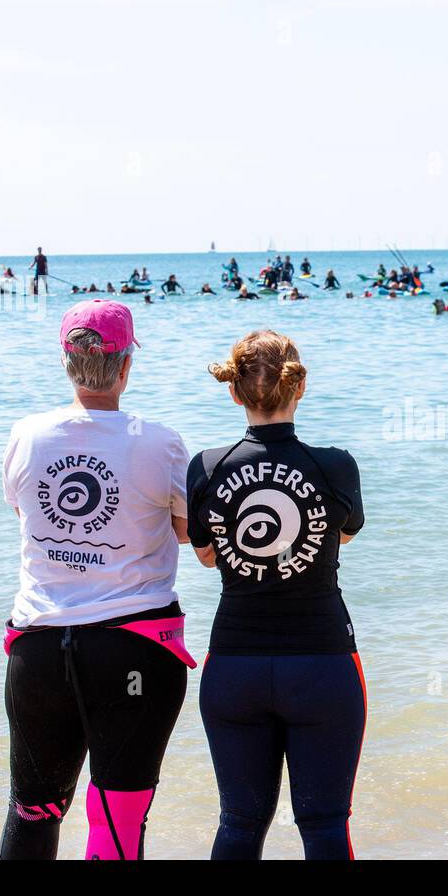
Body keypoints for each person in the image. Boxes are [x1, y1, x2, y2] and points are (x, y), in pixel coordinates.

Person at [0, 299, 194, 860]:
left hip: (38, 650)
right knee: (115, 821)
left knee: (32, 810)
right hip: (132, 650)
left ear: (66, 361)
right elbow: (185, 531)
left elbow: (26, 515)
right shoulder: (160, 441)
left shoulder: (27, 434)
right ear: (127, 366)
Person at [187, 331, 366, 860]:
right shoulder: (335, 465)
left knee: (239, 825)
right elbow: (343, 537)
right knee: (326, 826)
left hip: (234, 668)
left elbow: (206, 554)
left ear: (234, 393)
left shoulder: (207, 466)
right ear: (300, 387)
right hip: (322, 665)